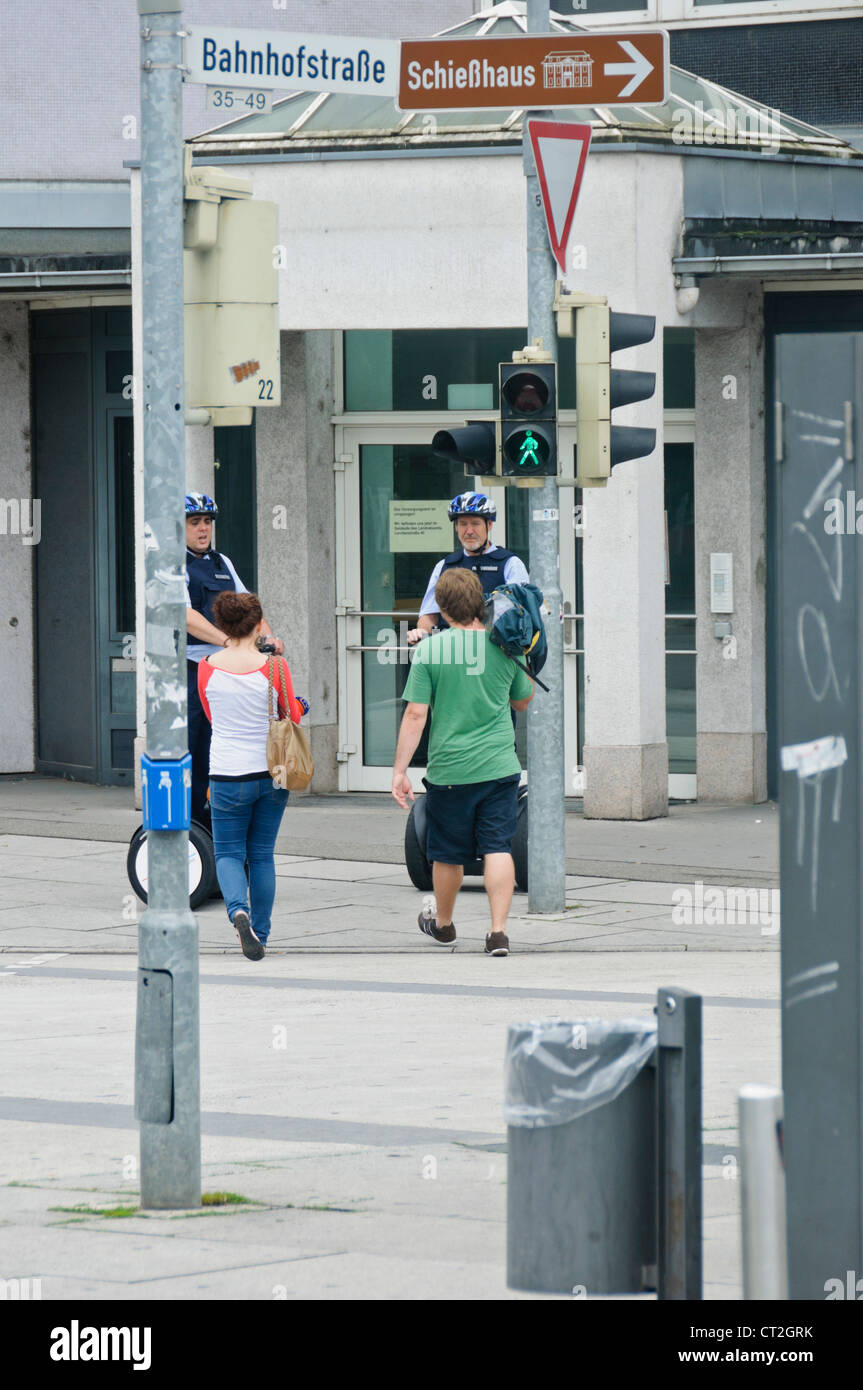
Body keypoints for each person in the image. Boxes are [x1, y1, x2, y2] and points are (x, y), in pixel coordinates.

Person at [392, 567, 534, 957]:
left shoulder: (430, 651)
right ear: (479, 601)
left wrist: (400, 770)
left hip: (450, 771)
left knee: (448, 853)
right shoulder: (506, 644)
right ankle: (498, 932)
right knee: (497, 847)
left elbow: (416, 715)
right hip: (499, 768)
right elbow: (522, 701)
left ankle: (444, 925)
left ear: (441, 606)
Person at [197, 591, 308, 961]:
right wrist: (302, 706)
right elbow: (289, 713)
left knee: (228, 852)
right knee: (261, 855)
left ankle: (237, 911)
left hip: (226, 774)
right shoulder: (275, 666)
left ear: (222, 625)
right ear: (258, 624)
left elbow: (212, 717)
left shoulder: (207, 667)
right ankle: (260, 932)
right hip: (270, 773)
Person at [184, 492, 283, 826]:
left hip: (227, 670)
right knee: (195, 748)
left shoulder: (221, 562)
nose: (203, 529)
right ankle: (194, 822)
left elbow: (249, 607)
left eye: (207, 522)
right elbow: (184, 615)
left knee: (223, 743)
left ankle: (220, 820)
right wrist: (230, 641)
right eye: (195, 522)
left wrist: (267, 636)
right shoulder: (174, 565)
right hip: (195, 668)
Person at [405, 492, 529, 646]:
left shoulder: (511, 564)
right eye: (463, 524)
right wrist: (422, 633)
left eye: (475, 523)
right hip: (451, 653)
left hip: (494, 653)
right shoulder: (444, 566)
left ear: (489, 525)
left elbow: (518, 615)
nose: (469, 531)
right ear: (456, 527)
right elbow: (429, 616)